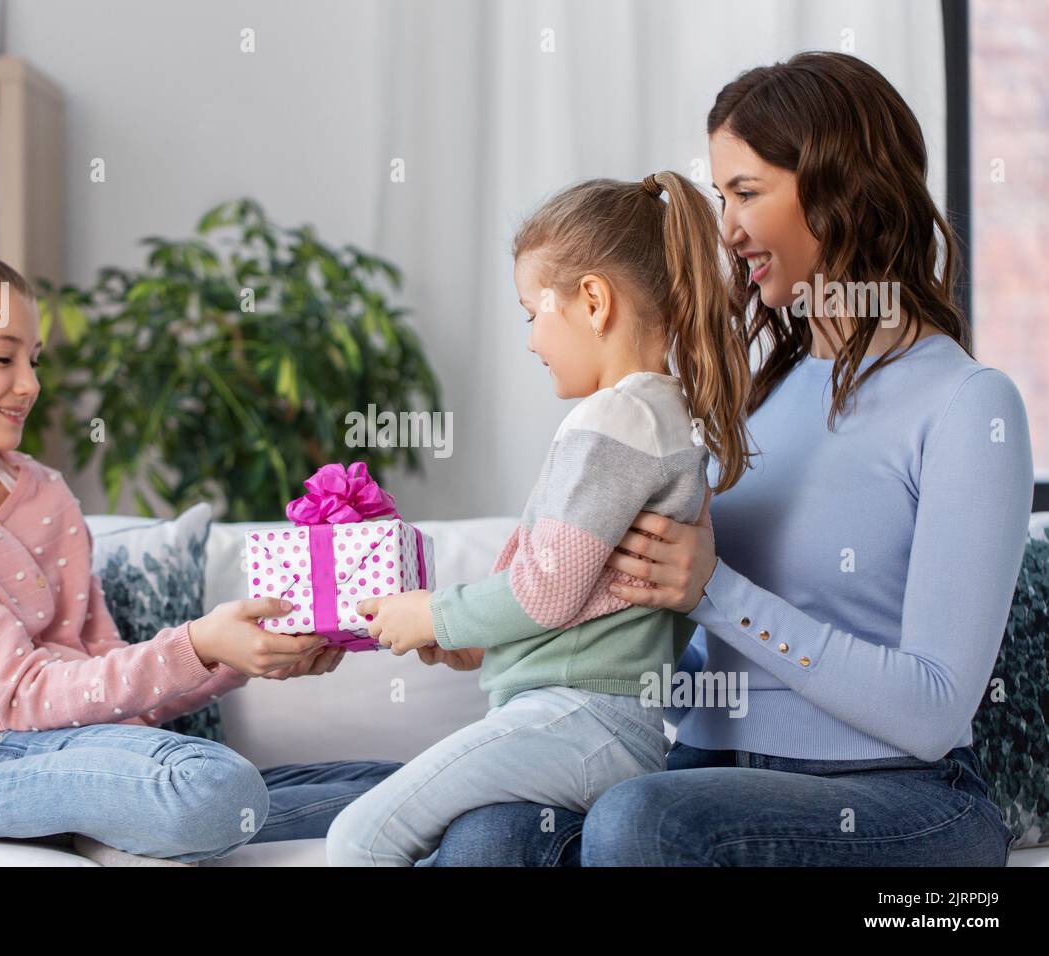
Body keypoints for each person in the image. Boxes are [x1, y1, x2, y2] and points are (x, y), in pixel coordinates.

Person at [429, 52, 1031, 868]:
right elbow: (680, 645)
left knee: (639, 825)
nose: (727, 230)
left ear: (842, 186)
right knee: (489, 836)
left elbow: (930, 708)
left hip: (900, 794)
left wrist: (715, 589)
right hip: (703, 770)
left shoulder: (967, 405)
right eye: (720, 197)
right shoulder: (750, 397)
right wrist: (507, 640)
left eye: (747, 193)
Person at [0, 240, 401, 866]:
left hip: (100, 745)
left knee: (414, 785)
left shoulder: (44, 494)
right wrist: (198, 644)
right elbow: (27, 695)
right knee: (213, 787)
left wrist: (241, 654)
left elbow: (111, 675)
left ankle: (114, 819)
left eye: (34, 359)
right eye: (2, 358)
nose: (30, 384)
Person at [325, 170, 754, 865]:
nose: (530, 340)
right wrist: (479, 643)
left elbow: (546, 586)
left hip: (580, 721)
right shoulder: (664, 421)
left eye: (531, 313)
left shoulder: (616, 418)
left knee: (359, 837)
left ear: (592, 300)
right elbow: (611, 609)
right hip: (602, 723)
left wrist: (434, 613)